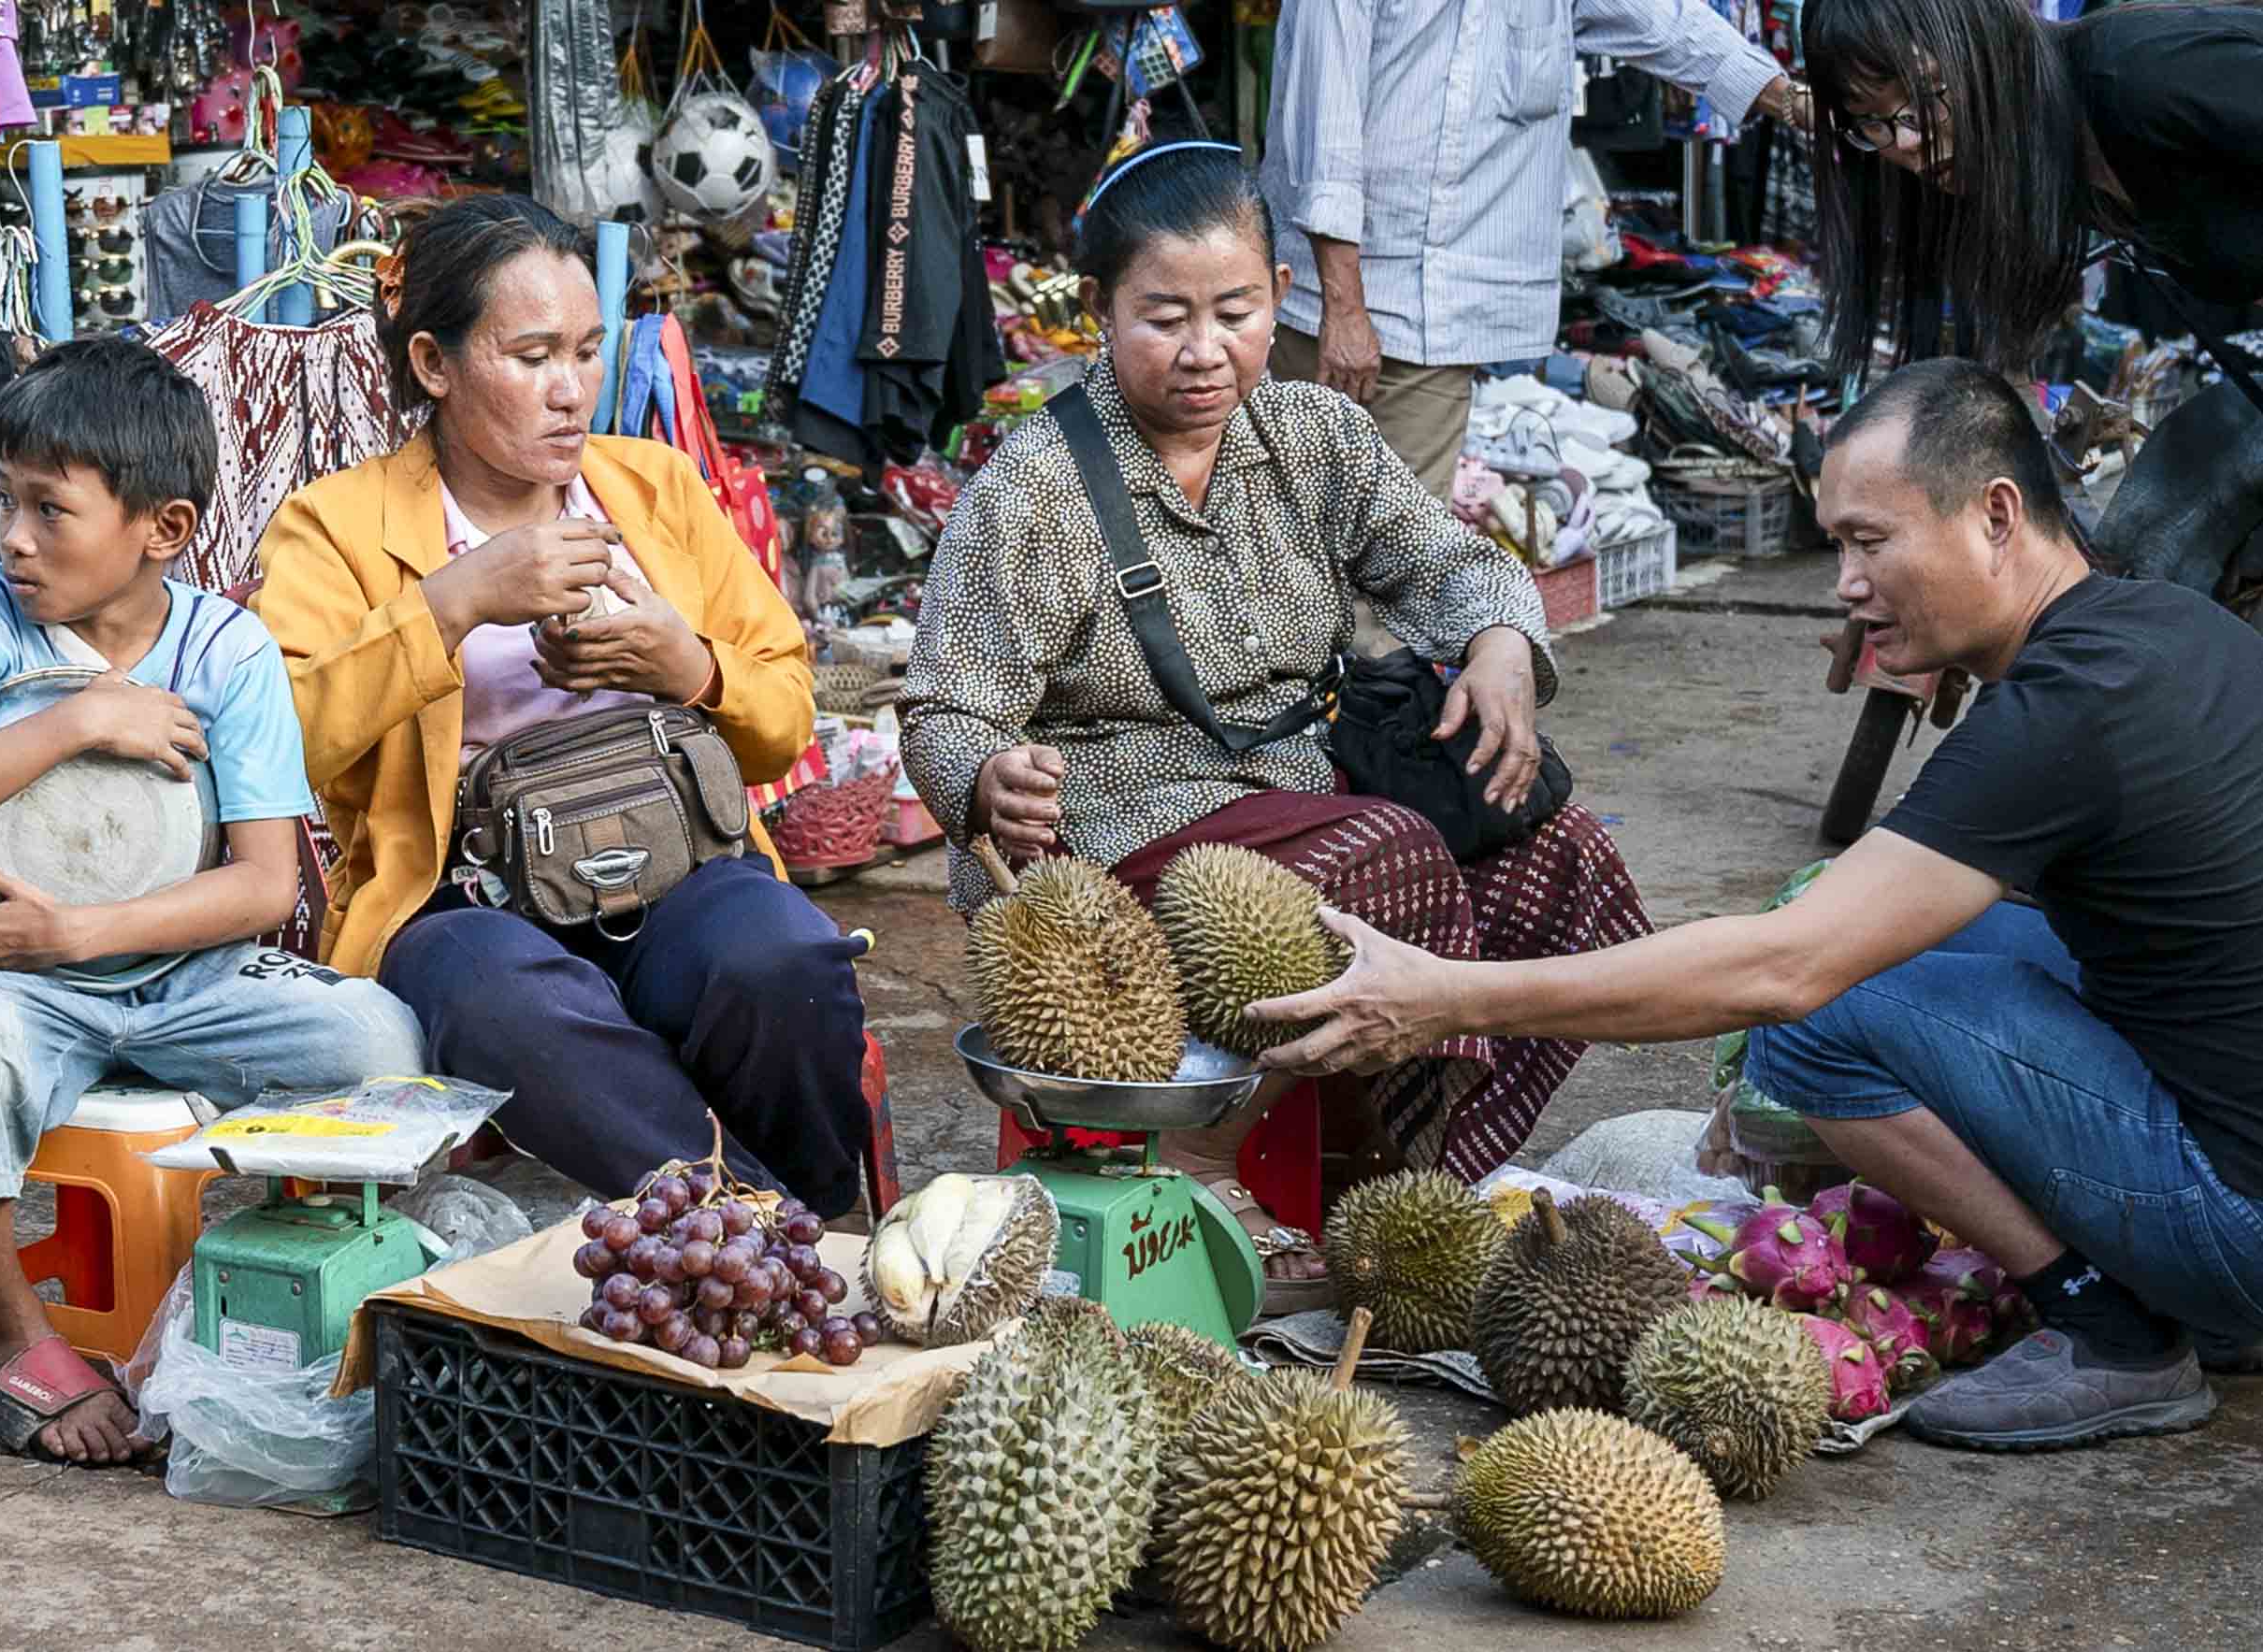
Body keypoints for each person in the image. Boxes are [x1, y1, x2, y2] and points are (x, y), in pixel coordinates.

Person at [1247, 357, 2263, 1450]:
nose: (1845, 584)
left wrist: (1451, 998)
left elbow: (1789, 967)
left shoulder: (2060, 714)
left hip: (2235, 1220)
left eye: (1871, 543)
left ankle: (2111, 1327)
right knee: (1902, 918)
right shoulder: (2168, 626)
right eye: (1837, 545)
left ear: (1996, 516)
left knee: (1815, 1020)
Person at [900, 144, 1651, 1314]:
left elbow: (1446, 563)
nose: (1203, 350)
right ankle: (1240, 1173)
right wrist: (987, 777)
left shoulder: (1312, 435)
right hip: (1110, 837)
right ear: (1097, 313)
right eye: (1163, 317)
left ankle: (1400, 1193)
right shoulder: (1036, 487)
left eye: (1234, 312)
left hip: (1301, 793)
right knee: (1386, 857)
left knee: (1560, 851)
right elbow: (948, 704)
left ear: (1279, 303)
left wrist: (1504, 644)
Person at [0, 338, 427, 1466]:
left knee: (377, 1040)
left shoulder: (228, 648)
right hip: (2, 971)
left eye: (50, 511)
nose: (14, 536)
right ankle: (8, 1325)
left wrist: (84, 932)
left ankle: (264, 1290)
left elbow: (264, 886)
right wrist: (78, 720)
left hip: (184, 977)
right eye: (5, 501)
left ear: (161, 530)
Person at [252, 196, 872, 1221]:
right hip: (462, 899)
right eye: (531, 355)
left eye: (587, 352)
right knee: (512, 1004)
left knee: (780, 959)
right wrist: (455, 602)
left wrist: (691, 669)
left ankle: (797, 1219)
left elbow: (786, 721)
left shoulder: (655, 490)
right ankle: (764, 1236)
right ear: (434, 364)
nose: (570, 391)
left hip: (676, 867)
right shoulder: (341, 523)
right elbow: (279, 737)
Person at [1260, 0, 1807, 493]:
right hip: (1336, 307)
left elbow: (1670, 27)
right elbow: (1324, 139)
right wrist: (1346, 310)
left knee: (1389, 555)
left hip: (1441, 323)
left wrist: (1796, 102)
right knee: (1333, 548)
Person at [1802, 0, 2263, 381]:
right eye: (1868, 119)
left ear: (1986, 40)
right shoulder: (2042, 158)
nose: (1906, 140)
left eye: (1925, 91)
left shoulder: (2144, 75)